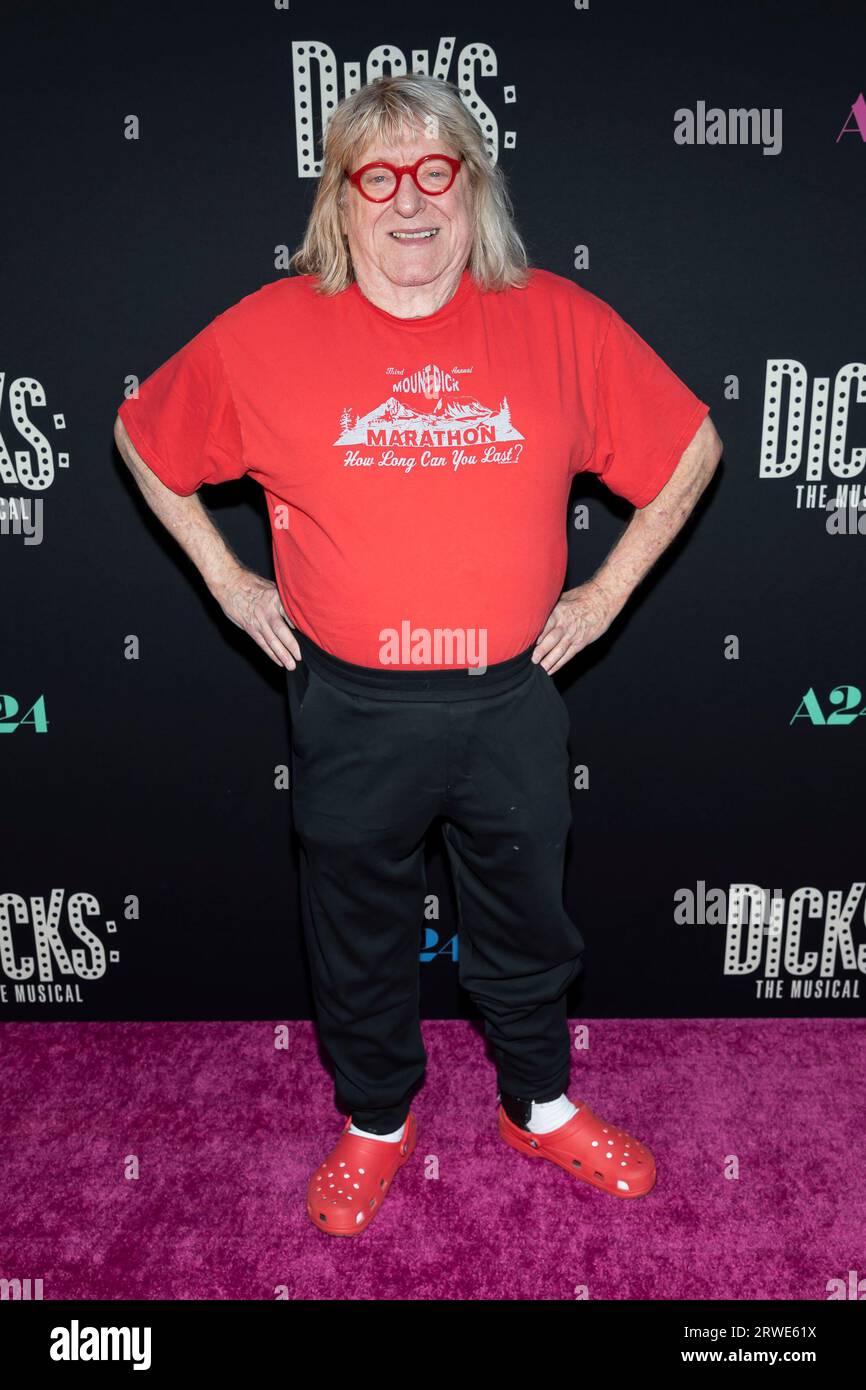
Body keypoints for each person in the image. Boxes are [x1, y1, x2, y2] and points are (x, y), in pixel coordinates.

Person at [114, 72, 722, 1238]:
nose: (409, 203)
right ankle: (376, 1121)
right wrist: (226, 579)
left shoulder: (555, 317)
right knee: (355, 927)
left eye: (435, 173)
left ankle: (536, 1105)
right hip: (348, 704)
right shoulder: (267, 330)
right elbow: (143, 436)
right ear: (340, 202)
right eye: (377, 176)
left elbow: (691, 443)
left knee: (529, 923)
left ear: (472, 191)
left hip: (507, 697)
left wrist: (604, 595)